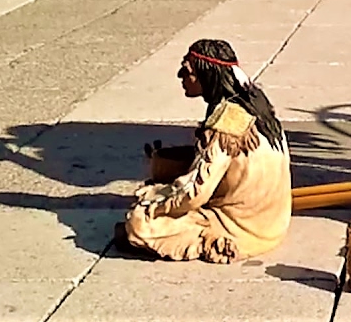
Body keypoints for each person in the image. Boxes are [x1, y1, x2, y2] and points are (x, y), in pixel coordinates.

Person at [121, 39, 292, 263]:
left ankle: (213, 241)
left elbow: (195, 194)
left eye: (186, 71)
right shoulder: (257, 105)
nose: (180, 76)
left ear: (206, 75)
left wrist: (155, 205)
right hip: (274, 222)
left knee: (139, 222)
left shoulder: (226, 124)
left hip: (242, 229)